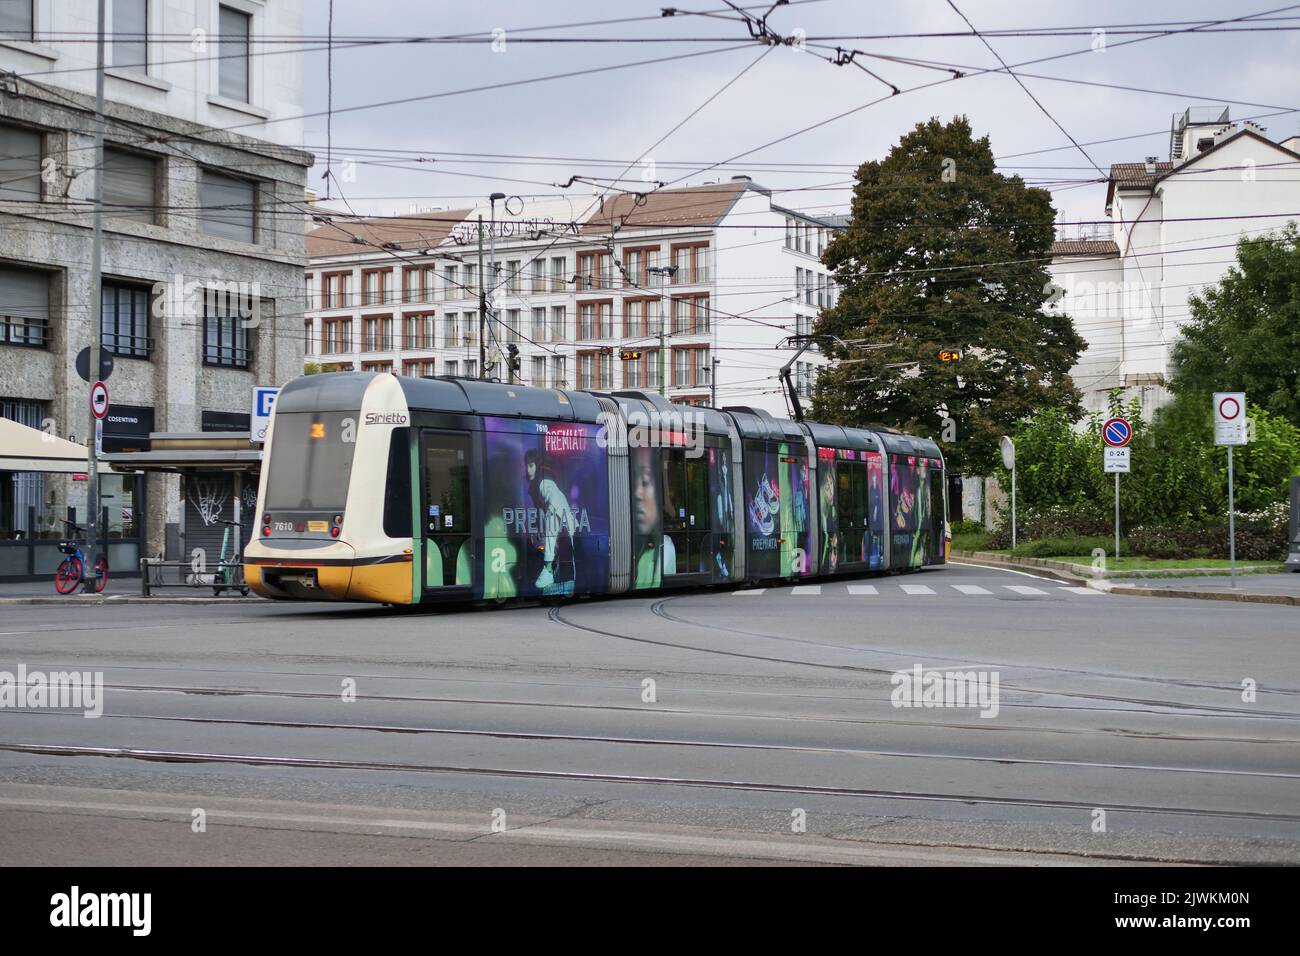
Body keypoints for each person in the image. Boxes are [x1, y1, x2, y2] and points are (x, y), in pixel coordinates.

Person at [525, 448, 577, 590]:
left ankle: (548, 570)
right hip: (562, 520)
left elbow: (553, 497)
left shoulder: (543, 483)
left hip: (561, 518)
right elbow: (541, 510)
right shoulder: (535, 485)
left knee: (554, 536)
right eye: (526, 465)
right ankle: (551, 571)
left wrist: (548, 518)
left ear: (537, 465)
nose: (527, 469)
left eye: (531, 465)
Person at [632, 447, 675, 588]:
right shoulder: (642, 551)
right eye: (633, 479)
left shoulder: (666, 550)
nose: (637, 493)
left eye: (645, 481)